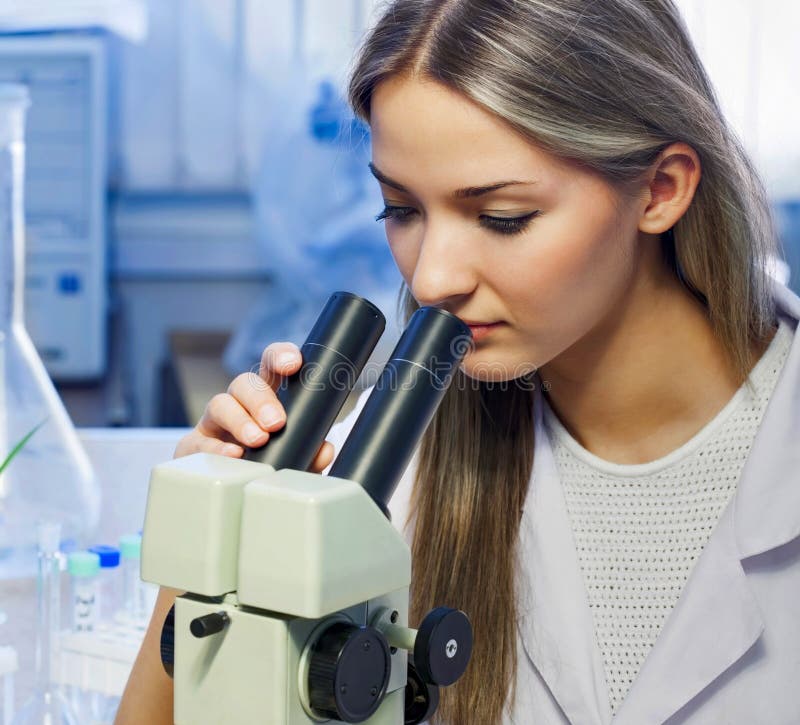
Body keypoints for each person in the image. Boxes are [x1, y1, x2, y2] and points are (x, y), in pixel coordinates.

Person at [116, 1, 800, 723]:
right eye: (401, 209)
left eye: (502, 217)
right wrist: (209, 555)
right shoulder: (373, 469)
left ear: (660, 190)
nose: (432, 278)